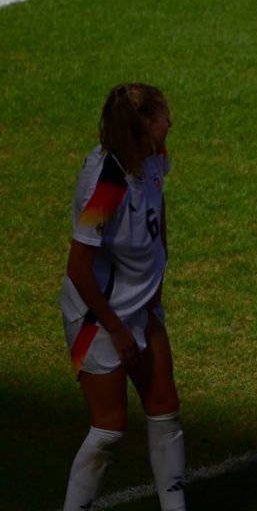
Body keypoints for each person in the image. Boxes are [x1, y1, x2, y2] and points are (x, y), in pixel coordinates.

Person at [60, 83, 185, 511]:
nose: (172, 122)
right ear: (146, 125)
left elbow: (157, 204)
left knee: (164, 404)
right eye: (165, 115)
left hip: (141, 304)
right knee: (109, 428)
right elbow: (79, 269)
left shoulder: (152, 157)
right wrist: (117, 329)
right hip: (98, 315)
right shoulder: (106, 184)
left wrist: (158, 278)